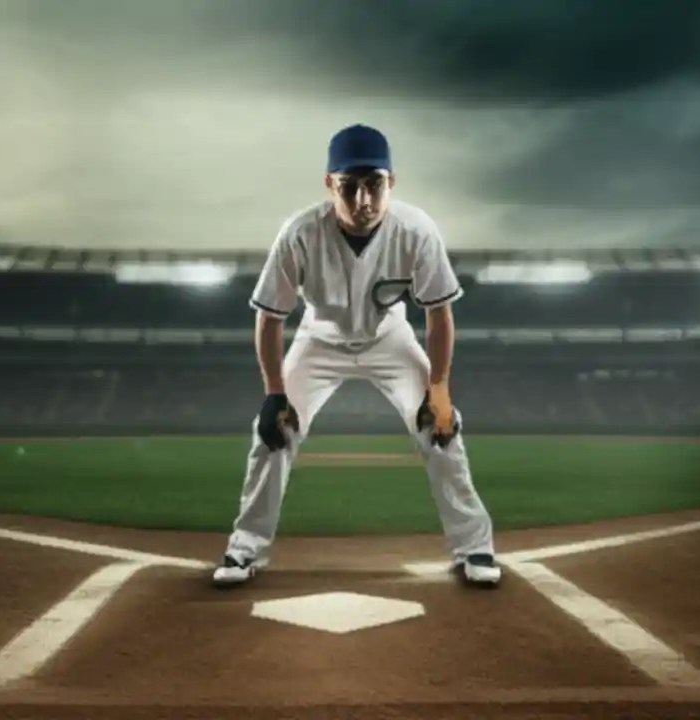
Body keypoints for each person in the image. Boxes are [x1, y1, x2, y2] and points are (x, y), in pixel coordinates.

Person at [211, 124, 500, 587]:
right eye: (350, 187)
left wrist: (439, 389)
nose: (363, 200)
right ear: (330, 185)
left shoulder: (416, 230)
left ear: (392, 182)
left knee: (442, 426)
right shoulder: (300, 233)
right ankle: (244, 550)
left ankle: (476, 548)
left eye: (375, 184)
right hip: (318, 338)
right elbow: (270, 318)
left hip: (390, 338)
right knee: (272, 433)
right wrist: (273, 393)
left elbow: (439, 316)